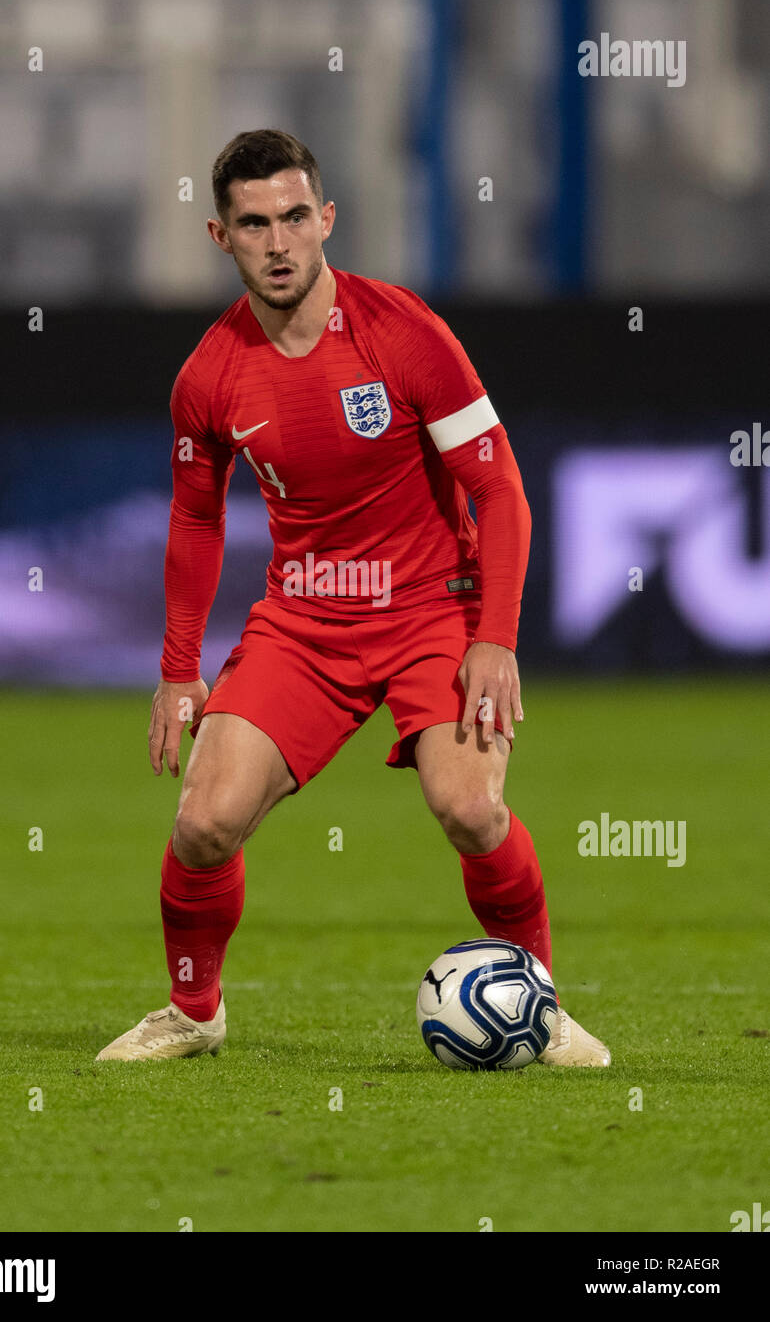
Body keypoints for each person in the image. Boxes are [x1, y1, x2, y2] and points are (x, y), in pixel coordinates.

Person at [97, 129, 610, 1068]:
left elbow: (501, 490)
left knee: (470, 809)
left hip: (431, 611)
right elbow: (196, 523)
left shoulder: (403, 333)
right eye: (255, 225)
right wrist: (178, 671)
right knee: (204, 822)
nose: (280, 242)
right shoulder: (209, 376)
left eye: (296, 217)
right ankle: (194, 1012)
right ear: (223, 238)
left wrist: (495, 638)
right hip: (305, 620)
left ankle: (538, 1004)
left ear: (327, 218)